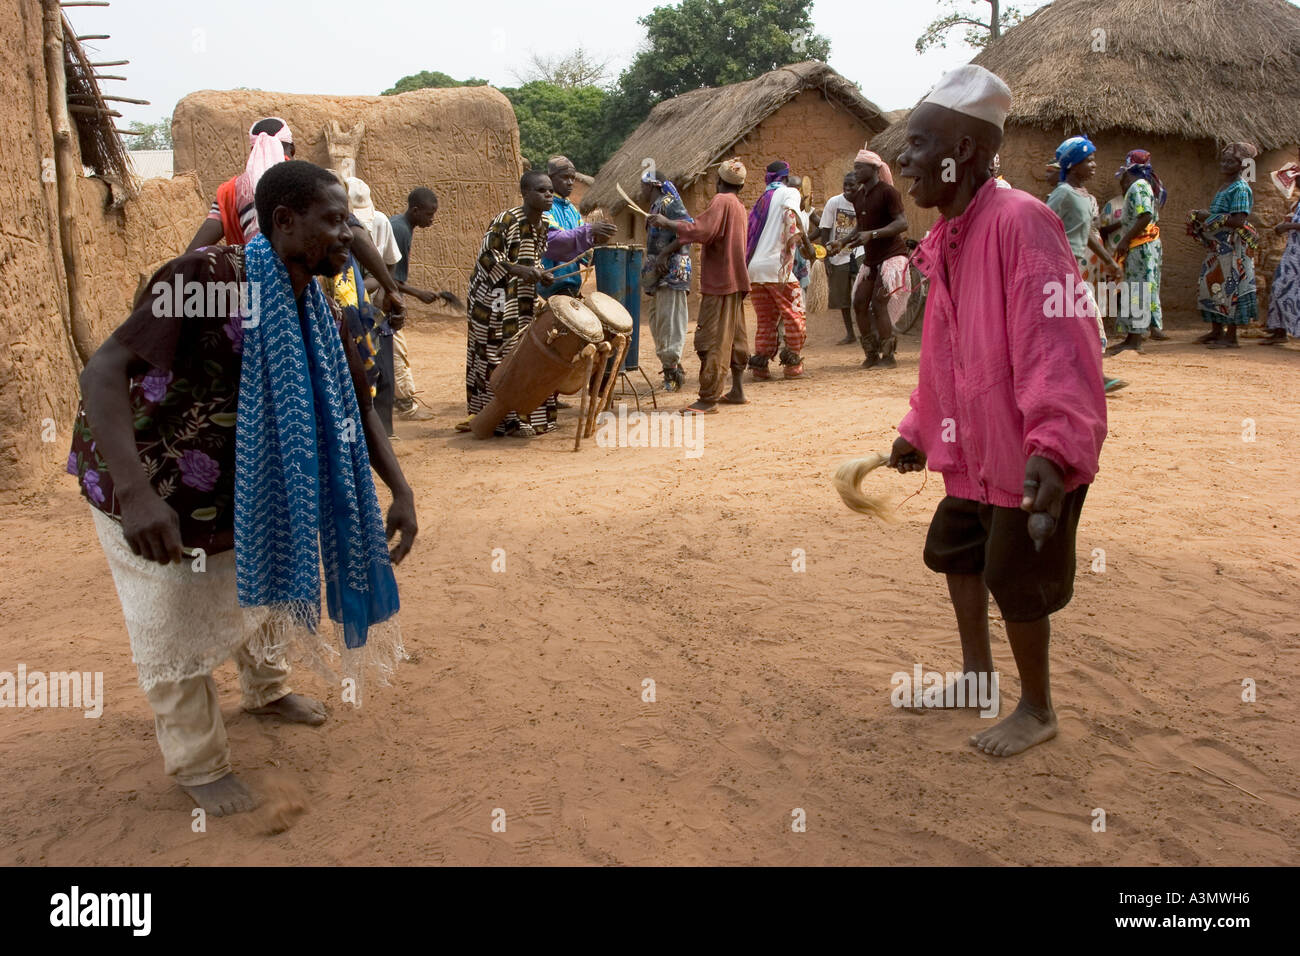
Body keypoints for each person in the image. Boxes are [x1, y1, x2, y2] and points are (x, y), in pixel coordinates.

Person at [69, 160, 417, 815]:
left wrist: (400, 489)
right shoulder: (205, 281)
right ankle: (198, 762)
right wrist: (138, 495)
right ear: (284, 222)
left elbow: (355, 403)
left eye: (351, 220)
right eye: (334, 221)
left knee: (258, 571)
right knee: (173, 618)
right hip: (151, 483)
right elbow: (102, 370)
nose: (350, 234)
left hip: (243, 489)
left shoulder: (319, 304)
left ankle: (266, 689)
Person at [890, 65, 1107, 757]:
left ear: (970, 154)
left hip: (1022, 452)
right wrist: (919, 431)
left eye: (921, 144)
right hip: (969, 450)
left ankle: (1037, 708)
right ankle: (977, 678)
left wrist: (1054, 443)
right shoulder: (951, 234)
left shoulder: (1022, 223)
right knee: (957, 551)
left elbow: (1062, 341)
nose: (904, 160)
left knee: (1017, 577)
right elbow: (943, 355)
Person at [186, 117, 409, 330]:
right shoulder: (308, 184)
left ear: (252, 151)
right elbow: (355, 234)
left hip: (245, 303)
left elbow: (194, 250)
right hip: (296, 298)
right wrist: (391, 289)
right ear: (292, 150)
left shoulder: (228, 190)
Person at [465, 170, 596, 436]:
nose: (548, 194)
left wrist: (540, 273)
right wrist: (522, 271)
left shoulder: (542, 225)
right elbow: (487, 258)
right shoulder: (506, 220)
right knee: (494, 353)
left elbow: (533, 259)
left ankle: (519, 417)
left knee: (521, 353)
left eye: (549, 190)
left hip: (520, 296)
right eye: (540, 190)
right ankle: (494, 419)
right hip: (492, 299)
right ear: (525, 193)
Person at [648, 158, 750, 413]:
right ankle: (737, 389)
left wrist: (667, 223)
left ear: (719, 181)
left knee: (712, 339)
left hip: (721, 281)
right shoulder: (738, 205)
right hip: (736, 279)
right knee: (735, 336)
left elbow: (702, 230)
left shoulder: (721, 201)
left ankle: (708, 397)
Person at [386, 187, 463, 421]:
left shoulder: (401, 226)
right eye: (429, 214)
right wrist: (417, 293)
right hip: (382, 298)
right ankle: (406, 405)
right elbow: (389, 278)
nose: (432, 219)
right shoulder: (400, 230)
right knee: (397, 350)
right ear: (415, 210)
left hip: (384, 295)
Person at [829, 149, 910, 369]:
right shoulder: (859, 196)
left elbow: (902, 223)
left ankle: (888, 356)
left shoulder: (888, 192)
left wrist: (873, 234)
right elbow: (860, 227)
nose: (855, 172)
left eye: (859, 167)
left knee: (878, 303)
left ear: (873, 169)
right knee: (859, 302)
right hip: (872, 259)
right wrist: (842, 242)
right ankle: (871, 353)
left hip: (892, 257)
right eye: (854, 167)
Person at [745, 161, 815, 379]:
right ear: (786, 178)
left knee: (766, 320)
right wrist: (802, 245)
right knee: (795, 315)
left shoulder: (762, 199)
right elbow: (791, 219)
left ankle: (760, 367)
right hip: (777, 267)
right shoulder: (790, 192)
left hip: (755, 270)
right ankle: (792, 365)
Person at [1190, 143, 1260, 348]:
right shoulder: (1227, 185)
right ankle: (1216, 331)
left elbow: (1238, 221)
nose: (1224, 164)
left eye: (1230, 161)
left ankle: (1231, 338)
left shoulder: (1240, 188)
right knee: (1213, 284)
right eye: (1223, 160)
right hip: (1218, 247)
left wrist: (1208, 216)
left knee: (1231, 288)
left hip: (1232, 247)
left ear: (1241, 165)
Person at [1107, 150, 1168, 355]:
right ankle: (1133, 337)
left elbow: (1145, 216)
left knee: (1137, 289)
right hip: (1143, 245)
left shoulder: (1138, 186)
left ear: (1127, 171)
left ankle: (1134, 340)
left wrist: (1124, 241)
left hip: (1140, 246)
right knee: (1138, 288)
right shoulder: (1144, 185)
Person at [640, 169, 693, 392]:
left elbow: (689, 228)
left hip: (672, 272)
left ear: (652, 186)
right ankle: (672, 366)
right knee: (659, 322)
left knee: (669, 322)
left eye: (642, 185)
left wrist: (664, 254)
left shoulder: (669, 202)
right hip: (660, 276)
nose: (640, 190)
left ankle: (671, 372)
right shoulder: (656, 206)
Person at [540, 155, 617, 297]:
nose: (570, 182)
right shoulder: (544, 206)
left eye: (572, 178)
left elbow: (583, 256)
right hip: (548, 289)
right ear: (549, 178)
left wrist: (598, 242)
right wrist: (590, 230)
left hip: (571, 288)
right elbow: (552, 242)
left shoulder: (572, 211)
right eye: (564, 177)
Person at [816, 172, 865, 344]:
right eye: (845, 184)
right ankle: (850, 334)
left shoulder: (864, 202)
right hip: (838, 256)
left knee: (862, 294)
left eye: (852, 185)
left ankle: (867, 332)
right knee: (843, 298)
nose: (848, 188)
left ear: (859, 185)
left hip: (859, 251)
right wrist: (826, 258)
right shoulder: (834, 202)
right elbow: (824, 230)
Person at [1263, 150, 1300, 345]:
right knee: (1279, 287)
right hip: (1293, 255)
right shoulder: (1297, 203)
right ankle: (1279, 331)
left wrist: (1288, 226)